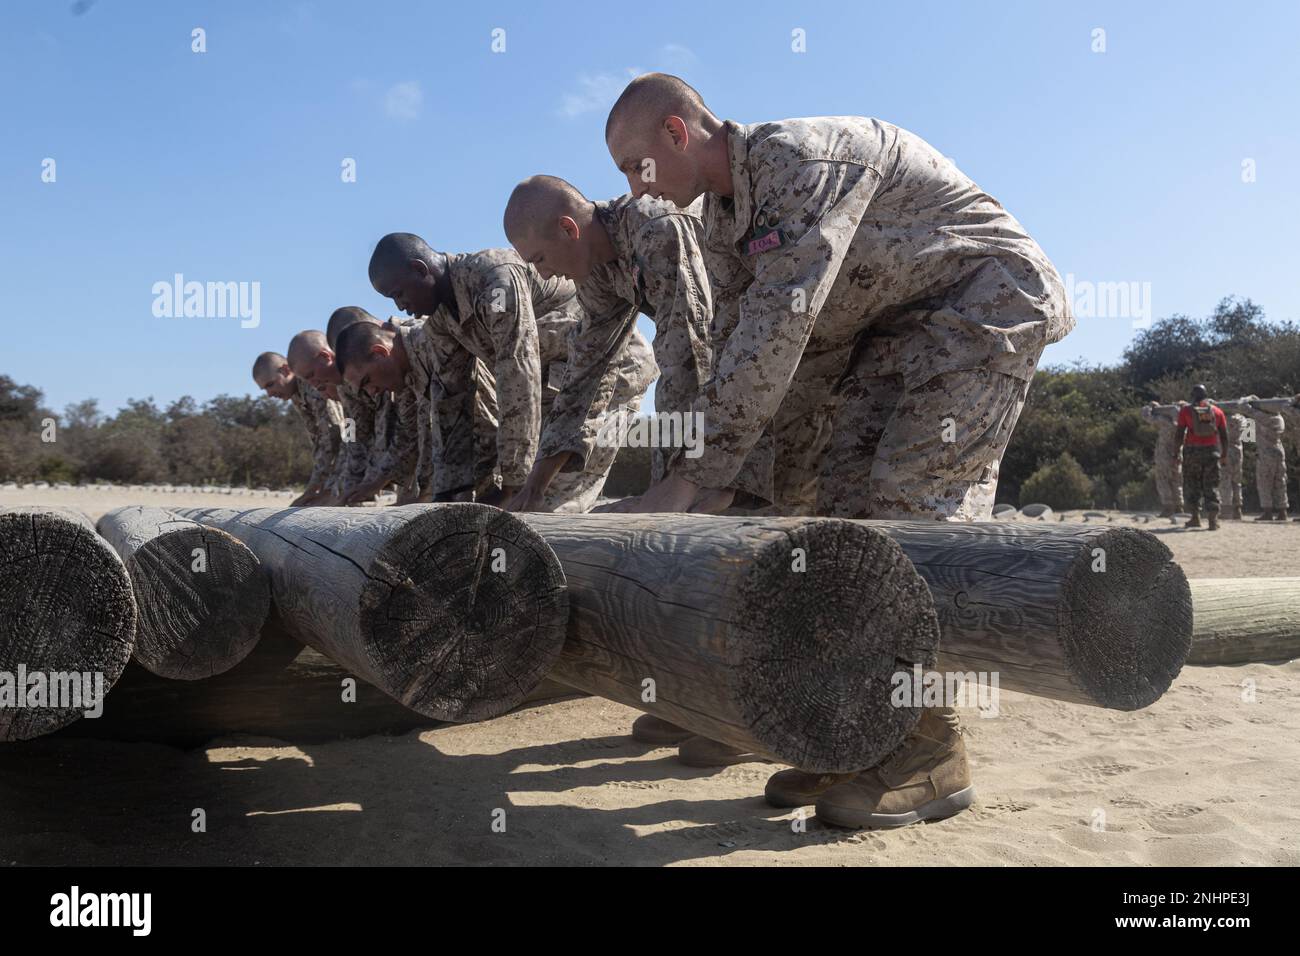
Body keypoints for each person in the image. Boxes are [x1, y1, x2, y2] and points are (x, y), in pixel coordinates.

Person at [601, 73, 1074, 828]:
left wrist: (696, 476)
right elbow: (747, 356)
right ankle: (869, 731)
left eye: (635, 165)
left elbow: (778, 333)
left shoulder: (798, 162)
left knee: (913, 517)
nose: (636, 187)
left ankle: (930, 750)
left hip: (980, 310)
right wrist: (730, 485)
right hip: (888, 339)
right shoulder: (723, 225)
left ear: (676, 133)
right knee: (847, 528)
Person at [503, 176, 768, 513]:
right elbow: (585, 377)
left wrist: (670, 488)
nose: (543, 276)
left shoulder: (655, 229)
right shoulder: (596, 273)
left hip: (786, 326)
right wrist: (535, 488)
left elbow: (689, 355)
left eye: (539, 259)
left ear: (569, 230)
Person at [367, 233, 621, 512]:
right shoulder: (441, 321)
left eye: (398, 294)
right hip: (552, 398)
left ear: (419, 269)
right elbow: (450, 403)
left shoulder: (495, 279)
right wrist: (448, 495)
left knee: (549, 513)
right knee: (506, 515)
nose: (400, 307)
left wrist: (515, 481)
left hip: (602, 379)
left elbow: (518, 368)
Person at [251, 350, 343, 506]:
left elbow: (333, 437)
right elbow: (318, 440)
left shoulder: (312, 387)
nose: (269, 394)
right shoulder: (295, 393)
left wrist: (313, 489)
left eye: (270, 385)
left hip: (354, 435)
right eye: (265, 389)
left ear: (286, 370)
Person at [1174, 385, 1229, 529]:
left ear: (1193, 395)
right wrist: (1224, 454)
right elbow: (1224, 435)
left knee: (1192, 484)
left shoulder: (1185, 411)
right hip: (1212, 452)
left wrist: (1176, 453)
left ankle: (1195, 518)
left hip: (1192, 452)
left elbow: (1179, 433)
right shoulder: (1217, 411)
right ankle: (1212, 520)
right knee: (1211, 485)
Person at [1242, 396, 1289, 521]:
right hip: (1278, 451)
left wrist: (1250, 398)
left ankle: (1267, 511)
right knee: (1280, 482)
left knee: (1264, 483)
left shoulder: (1263, 417)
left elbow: (1243, 406)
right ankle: (1282, 511)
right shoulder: (1279, 418)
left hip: (1265, 453)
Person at [1140, 401, 1185, 517]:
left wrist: (1151, 406)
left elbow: (1146, 415)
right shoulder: (1184, 426)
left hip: (1164, 455)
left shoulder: (1165, 422)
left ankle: (1168, 506)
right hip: (1178, 455)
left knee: (1163, 479)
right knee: (1177, 480)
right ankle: (1179, 507)